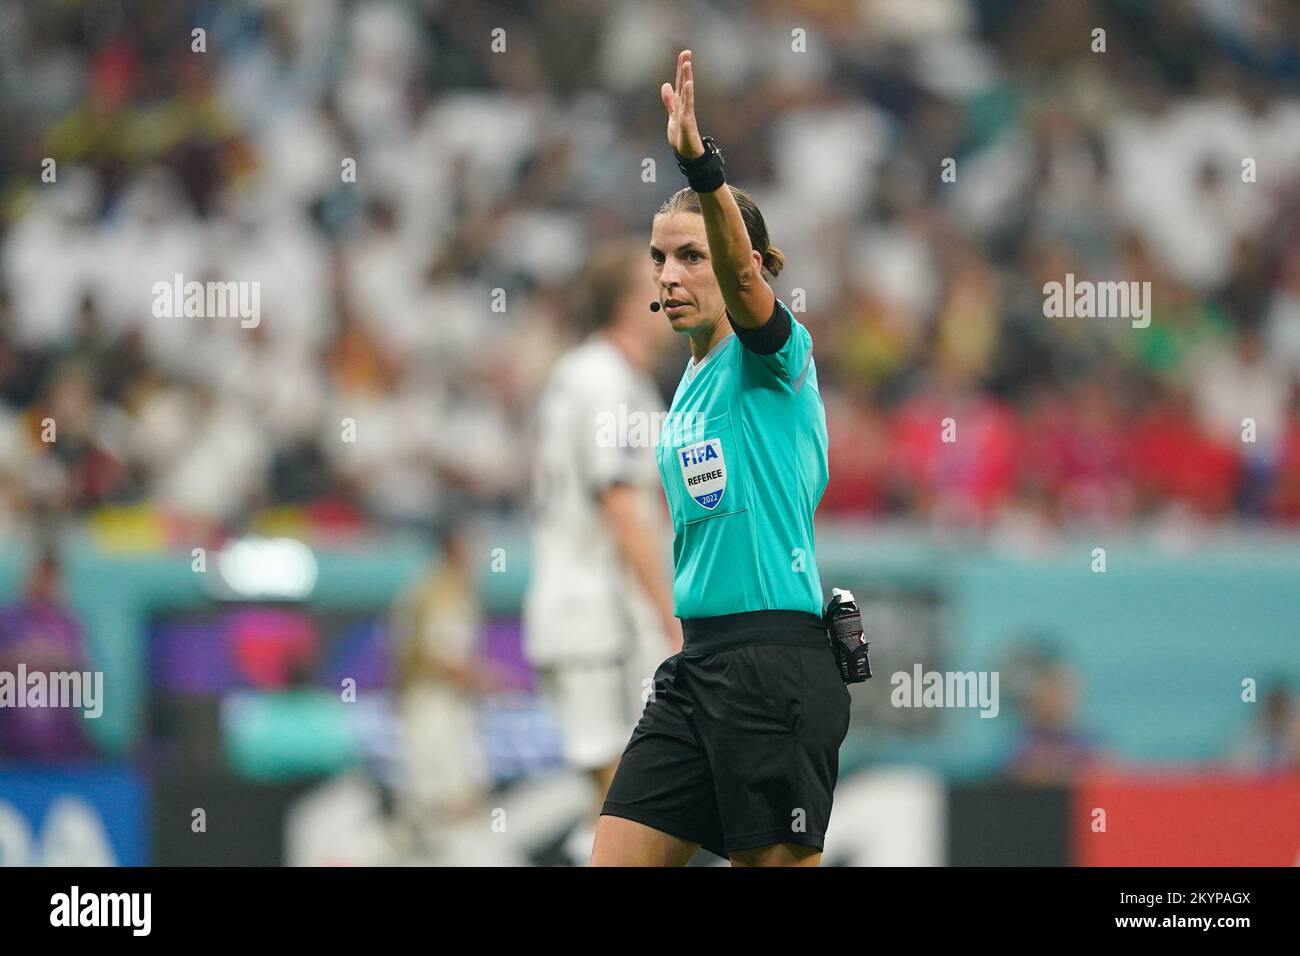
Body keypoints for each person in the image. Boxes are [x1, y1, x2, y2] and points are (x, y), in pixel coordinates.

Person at [591, 50, 850, 867]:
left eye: (691, 256)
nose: (669, 274)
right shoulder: (689, 391)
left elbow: (743, 276)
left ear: (753, 269)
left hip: (773, 666)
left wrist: (703, 168)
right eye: (660, 258)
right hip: (695, 667)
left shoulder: (774, 358)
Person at [523, 239, 683, 862]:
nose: (674, 289)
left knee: (629, 818)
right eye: (660, 279)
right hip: (601, 620)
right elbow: (622, 509)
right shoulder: (604, 379)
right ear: (629, 302)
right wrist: (672, 616)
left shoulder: (596, 376)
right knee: (630, 812)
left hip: (585, 618)